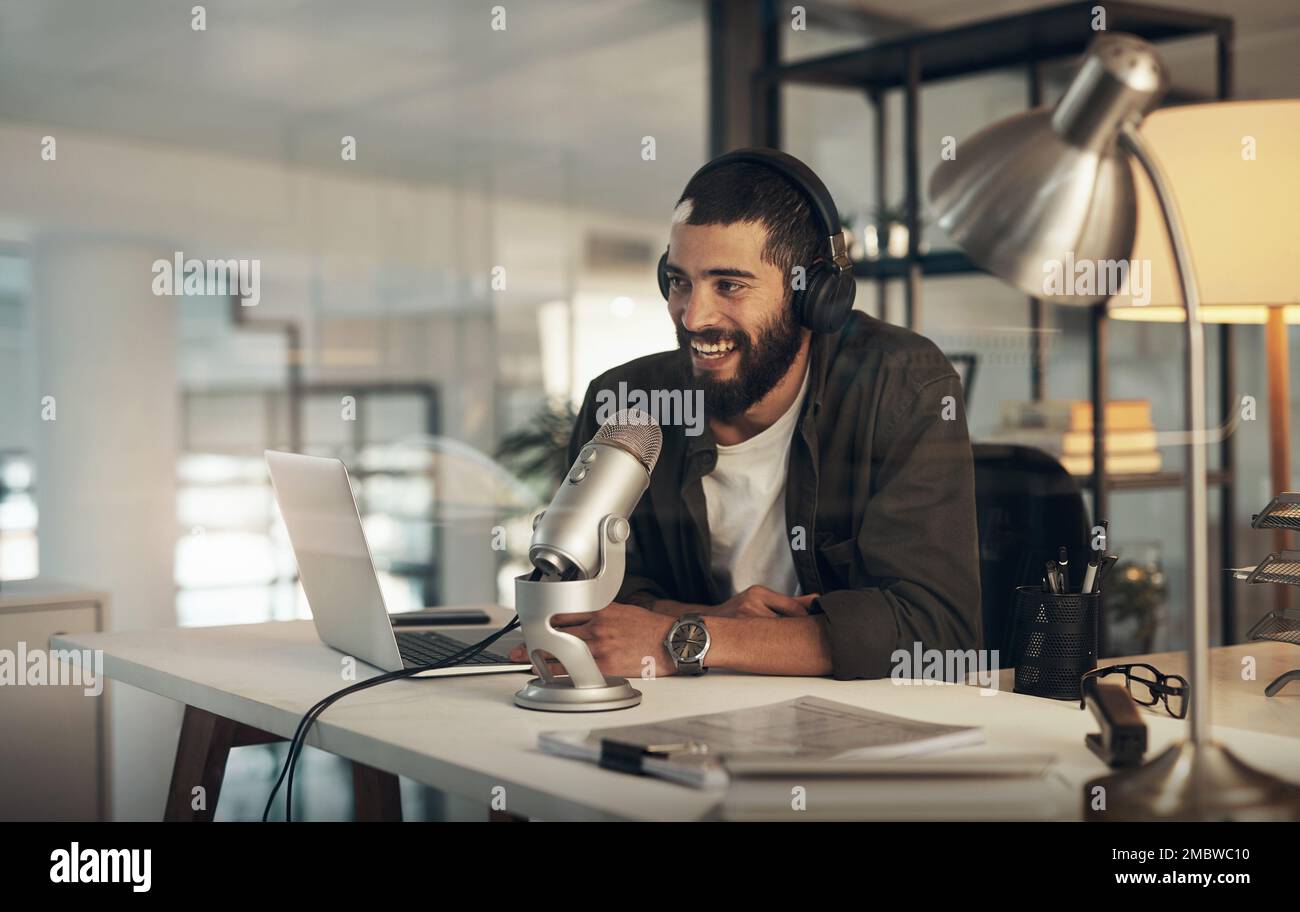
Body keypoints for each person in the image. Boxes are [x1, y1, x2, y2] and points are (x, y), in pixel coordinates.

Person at [510, 149, 980, 679]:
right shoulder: (625, 400)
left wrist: (684, 639)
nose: (693, 316)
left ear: (814, 297)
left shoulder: (902, 385)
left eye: (728, 285)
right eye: (679, 280)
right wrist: (709, 623)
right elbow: (578, 602)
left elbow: (938, 631)